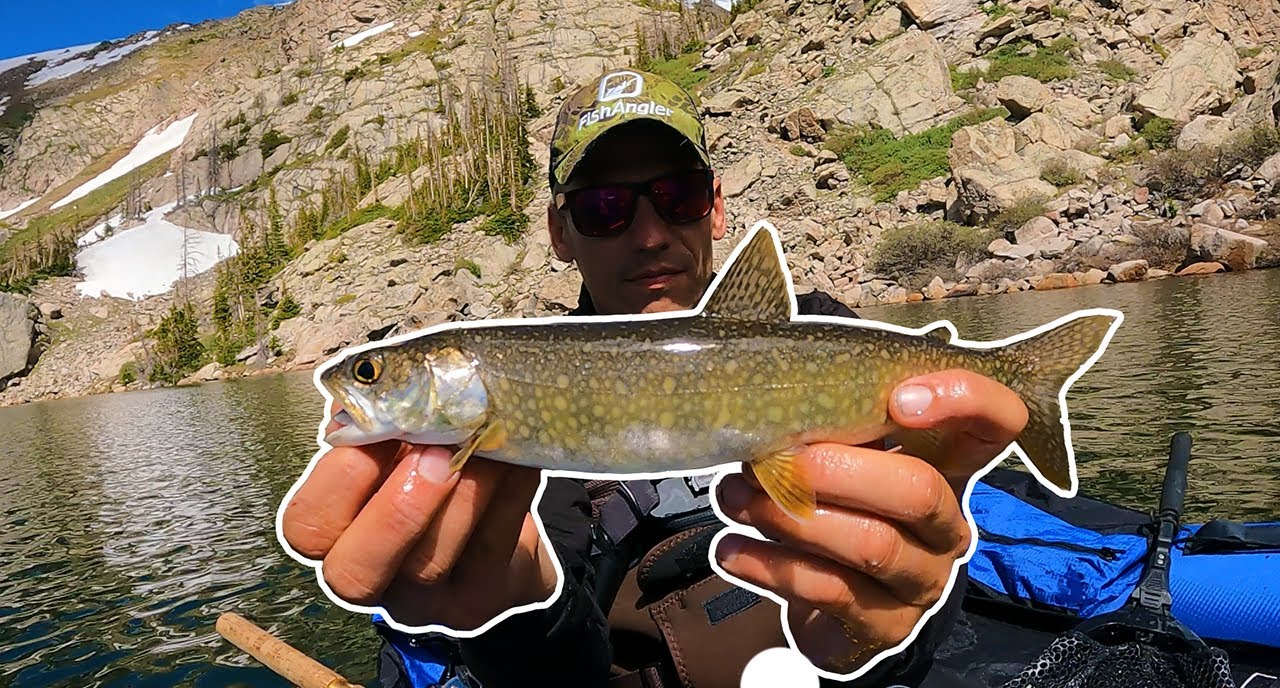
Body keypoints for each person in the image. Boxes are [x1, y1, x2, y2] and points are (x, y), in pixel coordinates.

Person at [279, 69, 1031, 687]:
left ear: (716, 209)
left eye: (676, 197)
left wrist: (896, 617)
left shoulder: (828, 332)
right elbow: (563, 672)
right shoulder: (538, 431)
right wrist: (507, 609)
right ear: (559, 234)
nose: (648, 233)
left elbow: (920, 613)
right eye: (605, 207)